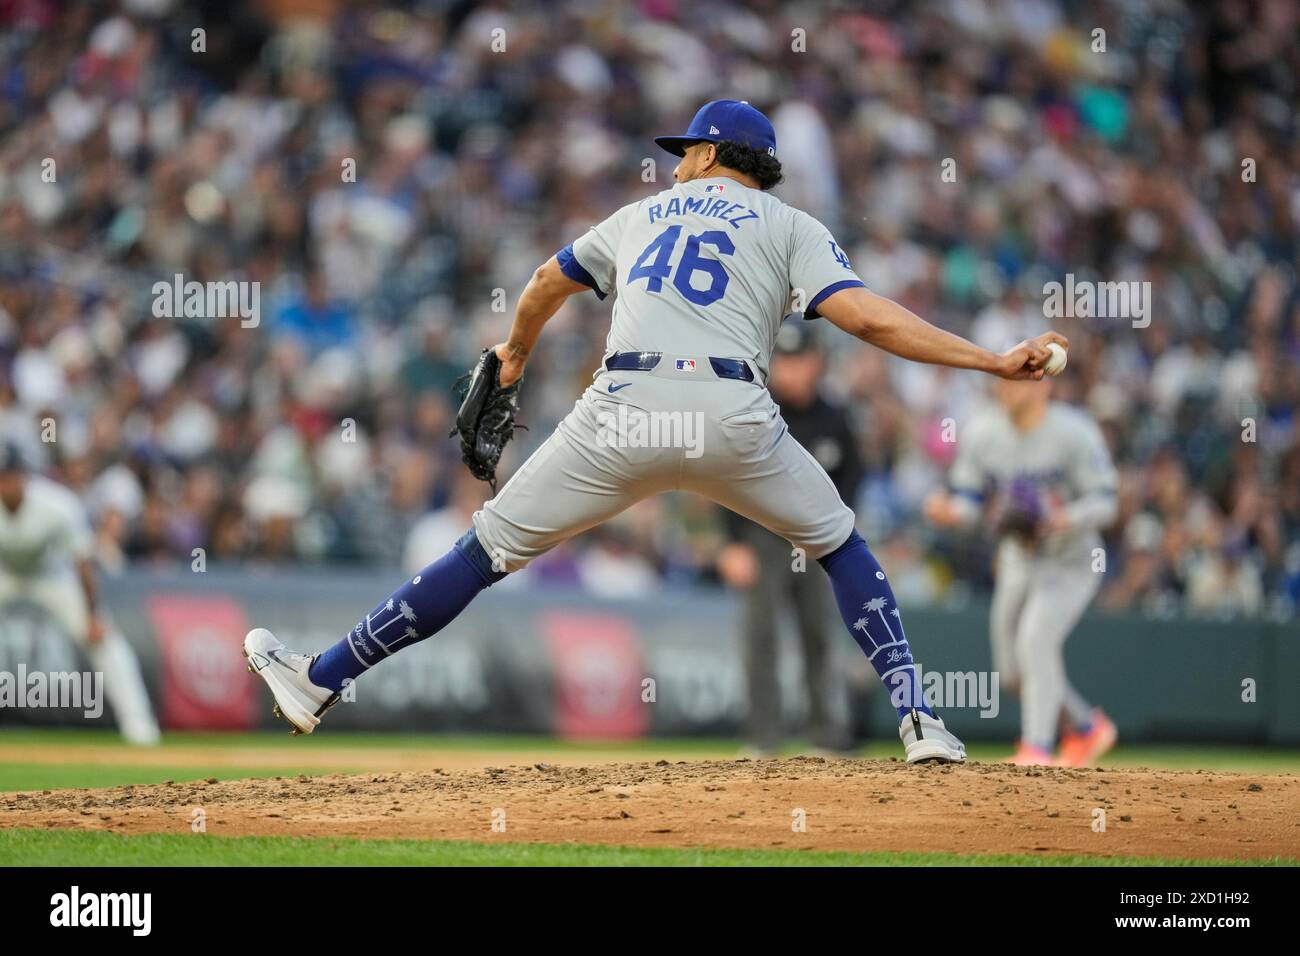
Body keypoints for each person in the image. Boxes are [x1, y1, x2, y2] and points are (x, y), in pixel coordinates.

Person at [245, 99, 1066, 763]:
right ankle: (921, 722)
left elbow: (541, 282)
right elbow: (865, 318)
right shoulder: (790, 226)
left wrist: (513, 358)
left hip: (623, 410)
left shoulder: (642, 214)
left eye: (688, 149)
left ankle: (321, 678)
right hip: (734, 413)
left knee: (485, 551)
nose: (678, 161)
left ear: (712, 155)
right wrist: (991, 362)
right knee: (842, 547)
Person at [924, 377, 1118, 766]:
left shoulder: (1074, 431)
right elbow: (970, 500)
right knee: (1013, 673)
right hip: (1018, 557)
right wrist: (950, 511)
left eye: (1018, 379)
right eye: (1002, 377)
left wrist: (1067, 517)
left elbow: (1107, 501)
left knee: (1035, 640)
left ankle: (1037, 748)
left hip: (1071, 559)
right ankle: (1084, 728)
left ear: (1044, 385)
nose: (1006, 386)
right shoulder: (983, 431)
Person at [716, 319, 859, 755]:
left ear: (818, 362)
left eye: (802, 360)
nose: (794, 371)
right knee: (761, 637)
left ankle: (825, 735)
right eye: (787, 361)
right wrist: (733, 542)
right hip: (763, 535)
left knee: (818, 633)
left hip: (815, 540)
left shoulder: (835, 418)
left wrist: (840, 537)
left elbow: (853, 478)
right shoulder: (756, 409)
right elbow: (724, 475)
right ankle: (763, 739)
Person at [0, 440, 160, 745]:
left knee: (102, 637)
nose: (6, 483)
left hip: (50, 575)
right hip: (4, 574)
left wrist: (94, 614)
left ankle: (140, 726)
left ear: (24, 476)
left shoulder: (56, 505)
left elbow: (83, 561)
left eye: (11, 475)